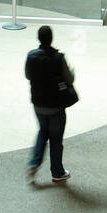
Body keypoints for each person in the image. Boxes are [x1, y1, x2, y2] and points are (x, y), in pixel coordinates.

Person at [25, 26, 76, 185]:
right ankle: (57, 173)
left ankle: (34, 164)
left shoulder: (31, 56)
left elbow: (28, 75)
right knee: (55, 139)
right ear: (51, 38)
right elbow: (69, 79)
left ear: (38, 39)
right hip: (56, 106)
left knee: (42, 132)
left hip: (38, 105)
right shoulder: (58, 58)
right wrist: (72, 73)